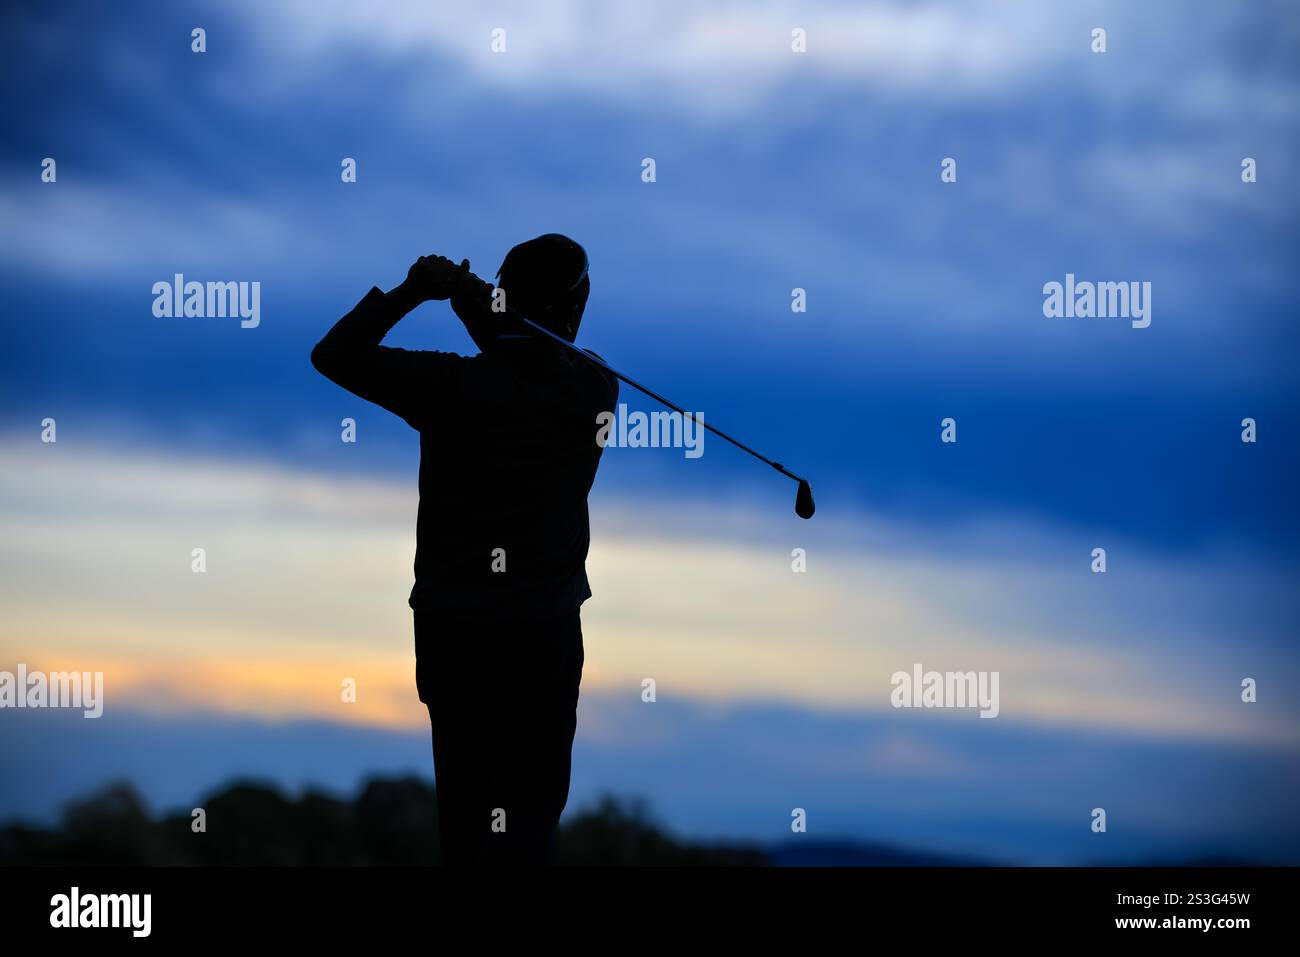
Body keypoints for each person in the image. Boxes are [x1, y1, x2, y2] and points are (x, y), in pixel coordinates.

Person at [310, 234, 617, 865]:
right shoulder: (595, 389)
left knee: (469, 816)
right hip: (545, 634)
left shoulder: (449, 385)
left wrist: (419, 290)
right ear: (575, 306)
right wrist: (473, 297)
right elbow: (525, 352)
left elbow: (334, 354)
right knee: (531, 821)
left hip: (456, 633)